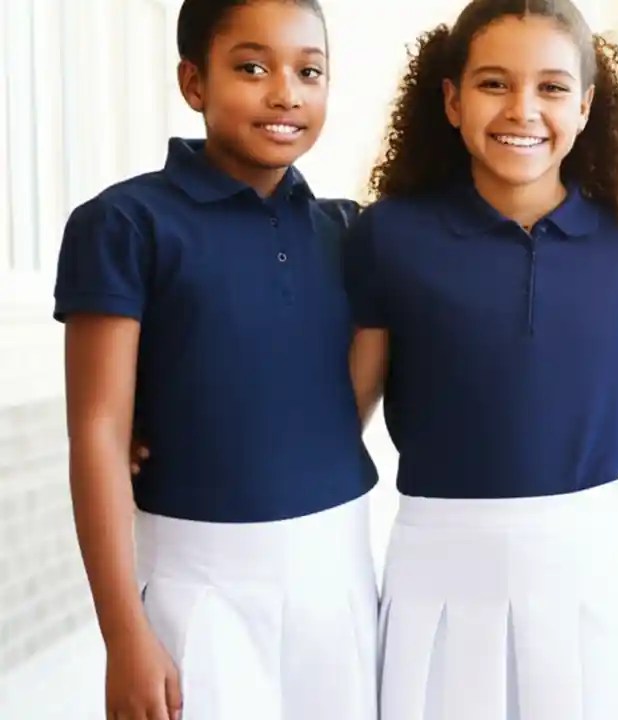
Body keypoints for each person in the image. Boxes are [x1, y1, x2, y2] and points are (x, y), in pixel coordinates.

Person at [342, 1, 618, 717]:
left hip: (590, 566)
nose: (522, 109)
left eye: (552, 87)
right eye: (494, 83)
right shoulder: (390, 236)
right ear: (451, 100)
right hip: (438, 564)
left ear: (586, 106)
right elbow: (339, 415)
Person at [54, 1, 377, 718]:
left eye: (310, 72)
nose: (286, 93)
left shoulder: (349, 232)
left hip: (341, 578)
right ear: (194, 82)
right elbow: (98, 432)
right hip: (197, 586)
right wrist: (123, 637)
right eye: (252, 67)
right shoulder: (124, 223)